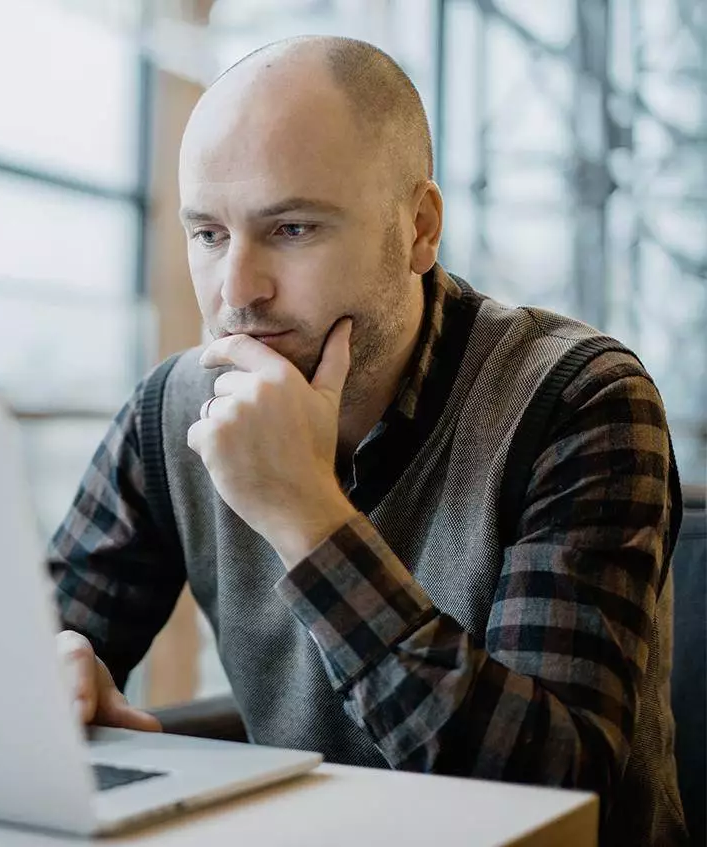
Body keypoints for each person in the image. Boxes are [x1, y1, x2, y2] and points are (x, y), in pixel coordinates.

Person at [48, 36, 686, 847]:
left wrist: (308, 518)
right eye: (209, 234)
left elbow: (551, 787)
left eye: (292, 228)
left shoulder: (579, 398)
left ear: (419, 228)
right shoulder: (172, 412)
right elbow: (30, 644)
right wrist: (52, 669)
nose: (237, 290)